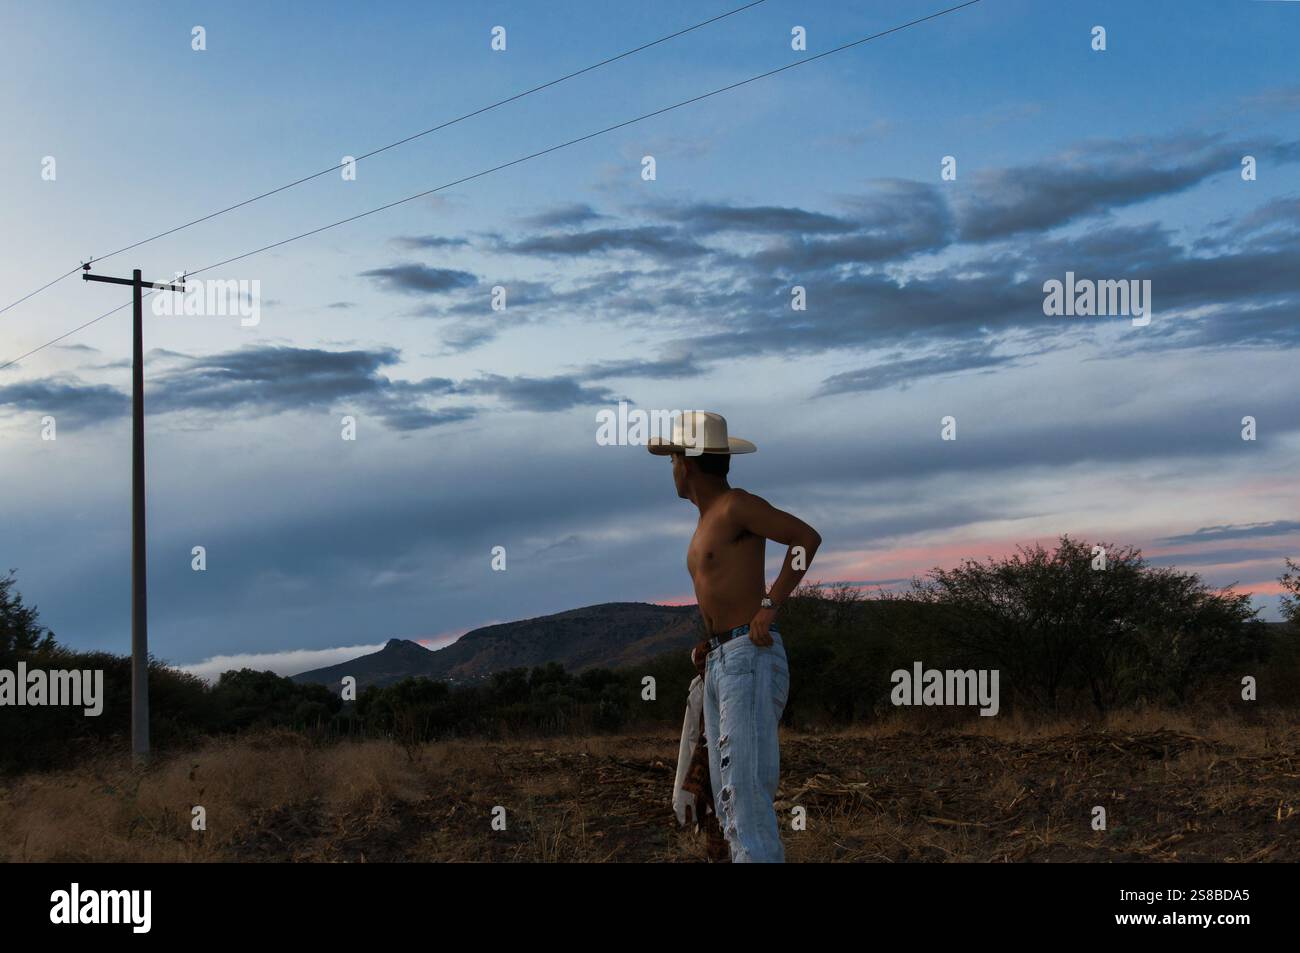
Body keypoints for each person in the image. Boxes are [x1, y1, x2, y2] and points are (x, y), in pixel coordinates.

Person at [652, 411, 821, 863]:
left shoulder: (735, 506)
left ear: (686, 464)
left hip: (750, 653)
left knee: (744, 796)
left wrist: (770, 605)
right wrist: (710, 642)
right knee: (728, 800)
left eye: (671, 459)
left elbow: (805, 538)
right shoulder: (706, 521)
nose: (670, 468)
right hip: (723, 659)